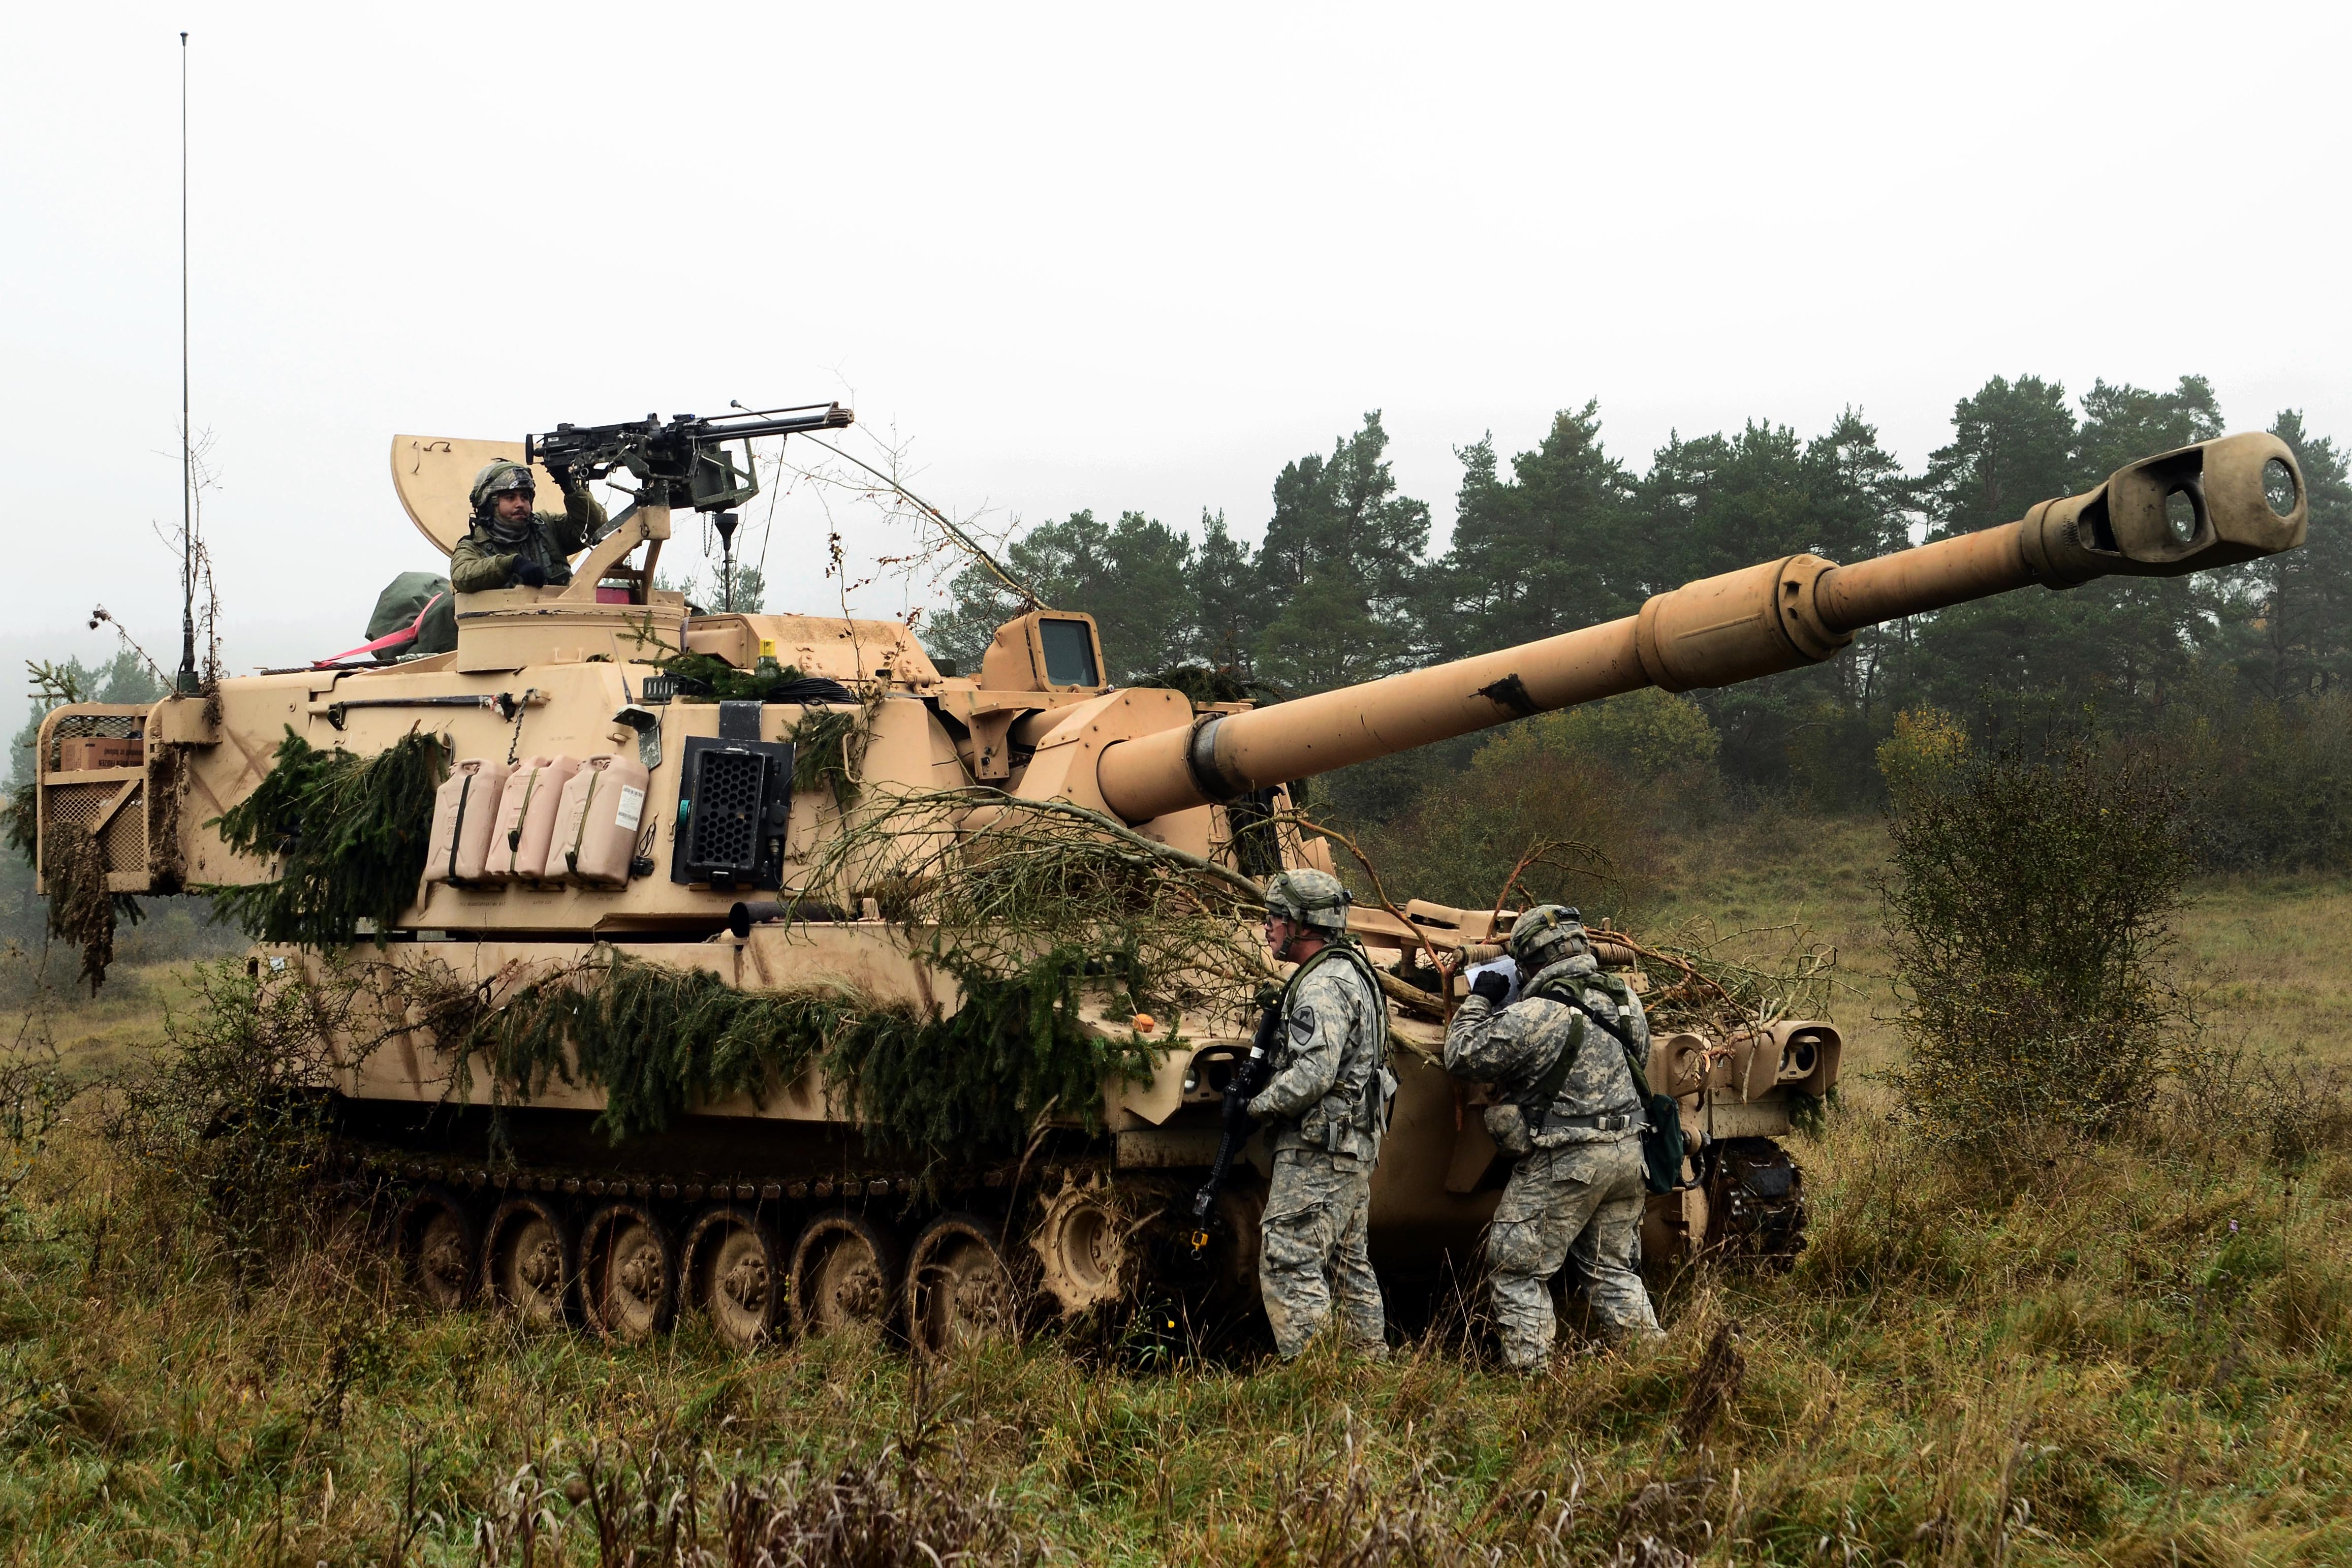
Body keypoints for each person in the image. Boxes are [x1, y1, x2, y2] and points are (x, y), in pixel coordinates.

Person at [1443, 904, 1664, 1372]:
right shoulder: (1626, 1000)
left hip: (1566, 1165)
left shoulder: (1537, 1014)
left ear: (1528, 964)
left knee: (1517, 1268)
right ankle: (1657, 1364)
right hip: (1628, 1157)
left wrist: (1480, 999)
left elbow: (1462, 1054)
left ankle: (1532, 1377)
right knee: (1610, 1271)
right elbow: (1639, 1059)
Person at [1246, 868, 1398, 1360]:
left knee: (1288, 1257)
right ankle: (1369, 1371)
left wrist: (1256, 1105)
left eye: (1277, 916)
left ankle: (1320, 1381)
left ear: (1304, 924)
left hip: (1320, 1151)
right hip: (1351, 1148)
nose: (1268, 925)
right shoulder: (1353, 972)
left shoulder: (1323, 986)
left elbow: (1313, 1073)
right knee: (1347, 1266)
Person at [448, 459, 608, 593]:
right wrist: (510, 564)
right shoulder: (473, 546)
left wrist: (569, 487)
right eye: (510, 498)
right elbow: (462, 576)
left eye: (525, 497)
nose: (520, 504)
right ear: (489, 504)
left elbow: (594, 527)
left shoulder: (547, 527)